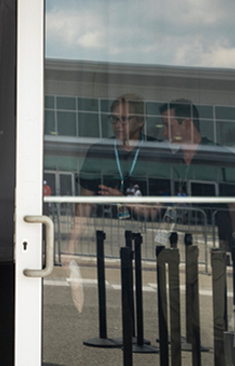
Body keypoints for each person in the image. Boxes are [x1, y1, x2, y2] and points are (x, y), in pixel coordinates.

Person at [158, 99, 235, 275]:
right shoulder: (171, 161)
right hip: (179, 245)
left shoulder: (220, 157)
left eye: (168, 126)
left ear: (186, 123)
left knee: (218, 294)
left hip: (216, 245)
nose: (164, 133)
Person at [69, 93, 168, 251]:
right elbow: (84, 202)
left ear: (141, 121)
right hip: (106, 237)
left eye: (125, 119)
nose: (118, 124)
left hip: (150, 239)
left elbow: (160, 208)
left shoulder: (158, 152)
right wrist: (71, 245)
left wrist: (123, 200)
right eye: (114, 119)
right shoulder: (99, 151)